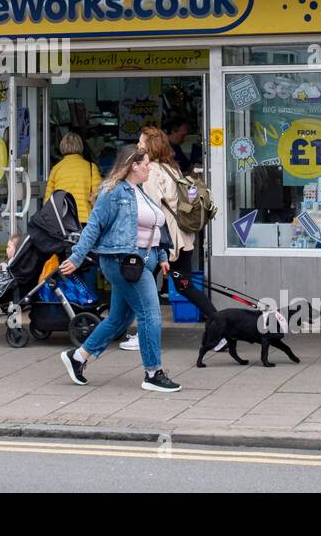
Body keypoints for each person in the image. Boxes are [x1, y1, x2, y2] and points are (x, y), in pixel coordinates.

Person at [58, 147, 182, 393]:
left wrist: (161, 256)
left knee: (119, 318)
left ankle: (78, 357)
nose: (149, 168)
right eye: (146, 164)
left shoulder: (140, 192)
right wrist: (77, 257)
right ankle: (153, 373)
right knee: (150, 314)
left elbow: (152, 229)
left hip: (141, 261)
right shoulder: (112, 191)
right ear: (133, 165)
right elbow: (94, 225)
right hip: (123, 262)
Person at [110, 127, 218, 353]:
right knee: (184, 285)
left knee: (144, 285)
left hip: (163, 240)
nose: (138, 147)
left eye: (141, 143)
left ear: (149, 147)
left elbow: (150, 209)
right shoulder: (172, 168)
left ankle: (143, 335)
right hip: (182, 237)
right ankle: (220, 329)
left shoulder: (151, 172)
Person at [44, 132, 101, 224]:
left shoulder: (56, 169)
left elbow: (48, 200)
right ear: (81, 146)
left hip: (62, 219)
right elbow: (98, 197)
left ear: (62, 146)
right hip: (85, 220)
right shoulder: (90, 167)